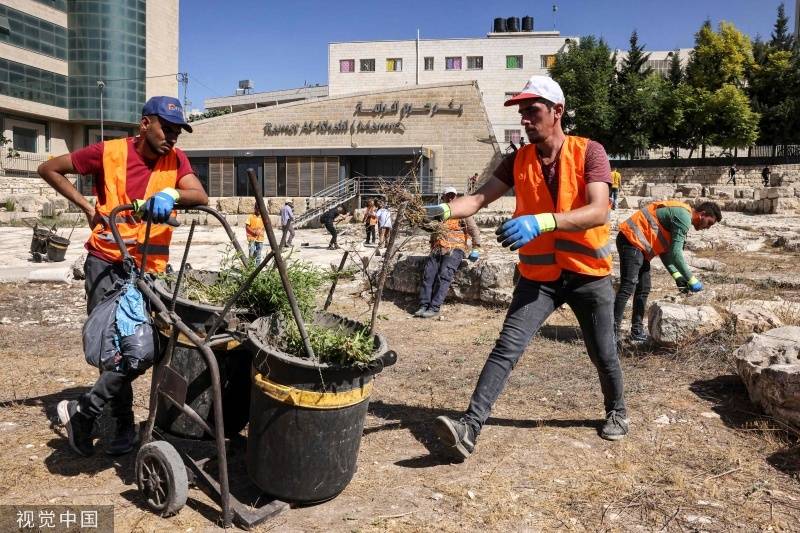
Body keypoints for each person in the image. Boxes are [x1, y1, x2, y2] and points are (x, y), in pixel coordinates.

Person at [424, 75, 628, 460]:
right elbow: (479, 199)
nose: (525, 119)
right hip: (540, 279)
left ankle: (617, 410)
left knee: (603, 353)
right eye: (522, 113)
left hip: (587, 274)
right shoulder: (517, 159)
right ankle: (469, 427)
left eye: (532, 111)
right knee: (506, 348)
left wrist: (543, 221)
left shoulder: (590, 152)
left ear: (557, 111)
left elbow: (600, 209)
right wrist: (443, 211)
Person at [37, 96, 208, 457]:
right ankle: (122, 423)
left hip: (147, 272)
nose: (173, 137)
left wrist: (173, 192)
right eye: (167, 128)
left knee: (144, 348)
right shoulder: (108, 152)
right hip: (106, 263)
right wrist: (87, 207)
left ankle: (83, 413)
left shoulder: (175, 160)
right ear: (145, 123)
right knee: (114, 350)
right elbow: (49, 167)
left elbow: (199, 194)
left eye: (178, 131)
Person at [613, 201, 721, 343]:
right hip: (631, 240)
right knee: (628, 286)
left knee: (644, 288)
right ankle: (610, 333)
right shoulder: (683, 217)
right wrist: (691, 279)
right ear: (702, 215)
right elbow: (676, 255)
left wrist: (677, 276)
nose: (707, 228)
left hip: (639, 247)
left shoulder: (683, 217)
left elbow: (666, 253)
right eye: (709, 223)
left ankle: (636, 331)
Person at [415, 187, 481, 319]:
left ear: (456, 197)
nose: (451, 198)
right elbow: (428, 228)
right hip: (437, 247)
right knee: (428, 275)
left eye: (453, 196)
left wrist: (476, 248)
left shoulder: (463, 213)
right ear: (443, 197)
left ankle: (434, 307)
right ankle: (424, 305)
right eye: (448, 196)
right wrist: (418, 219)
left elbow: (474, 230)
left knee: (444, 275)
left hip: (455, 248)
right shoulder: (438, 214)